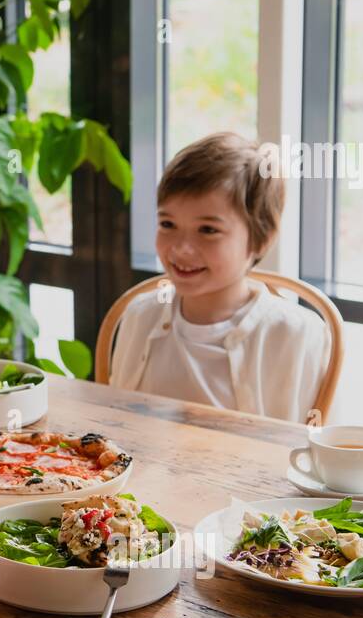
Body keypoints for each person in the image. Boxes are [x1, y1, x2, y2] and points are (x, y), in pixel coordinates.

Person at [109, 132, 330, 423]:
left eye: (208, 230)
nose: (181, 248)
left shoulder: (296, 335)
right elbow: (111, 432)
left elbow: (320, 454)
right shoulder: (140, 315)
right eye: (167, 224)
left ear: (260, 239)